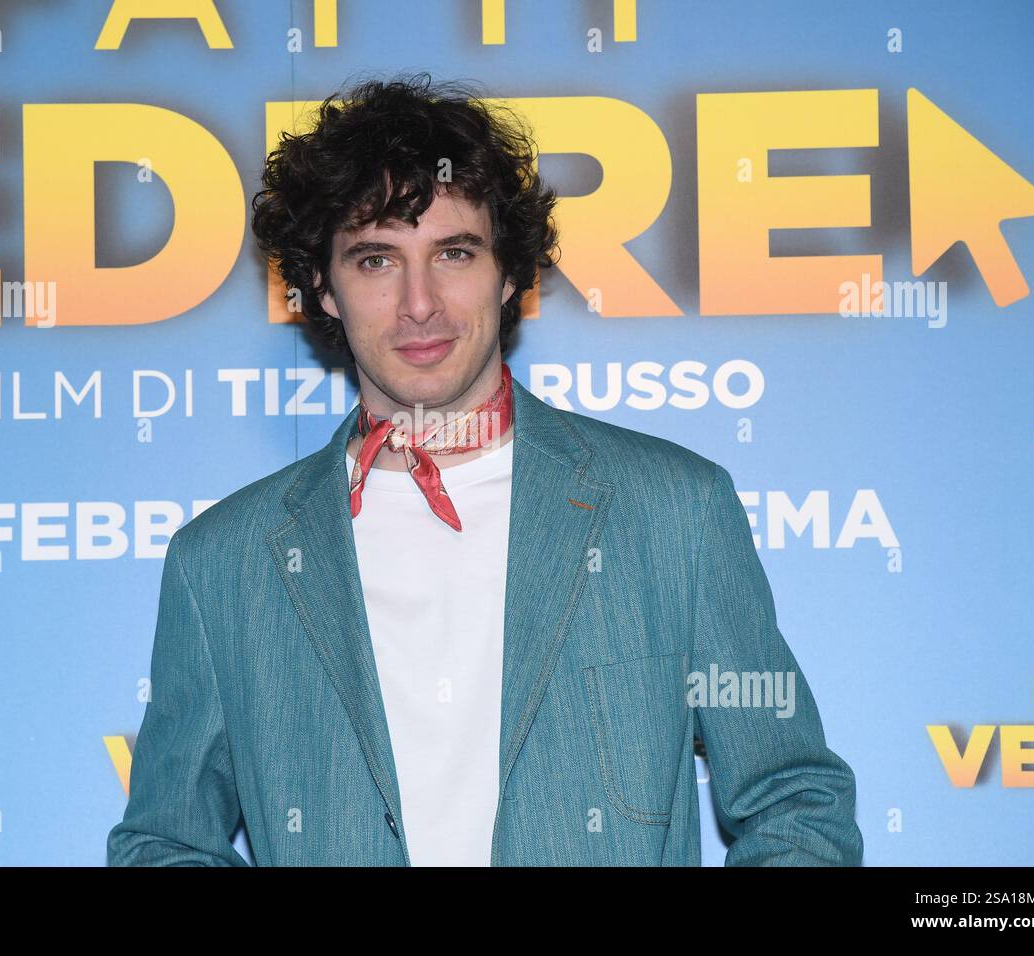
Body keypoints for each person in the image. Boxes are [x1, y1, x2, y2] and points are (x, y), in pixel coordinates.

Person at [106, 73, 863, 866]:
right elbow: (163, 841)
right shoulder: (224, 563)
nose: (420, 303)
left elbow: (796, 803)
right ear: (323, 289)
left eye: (454, 253)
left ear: (509, 274)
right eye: (375, 261)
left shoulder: (673, 512)